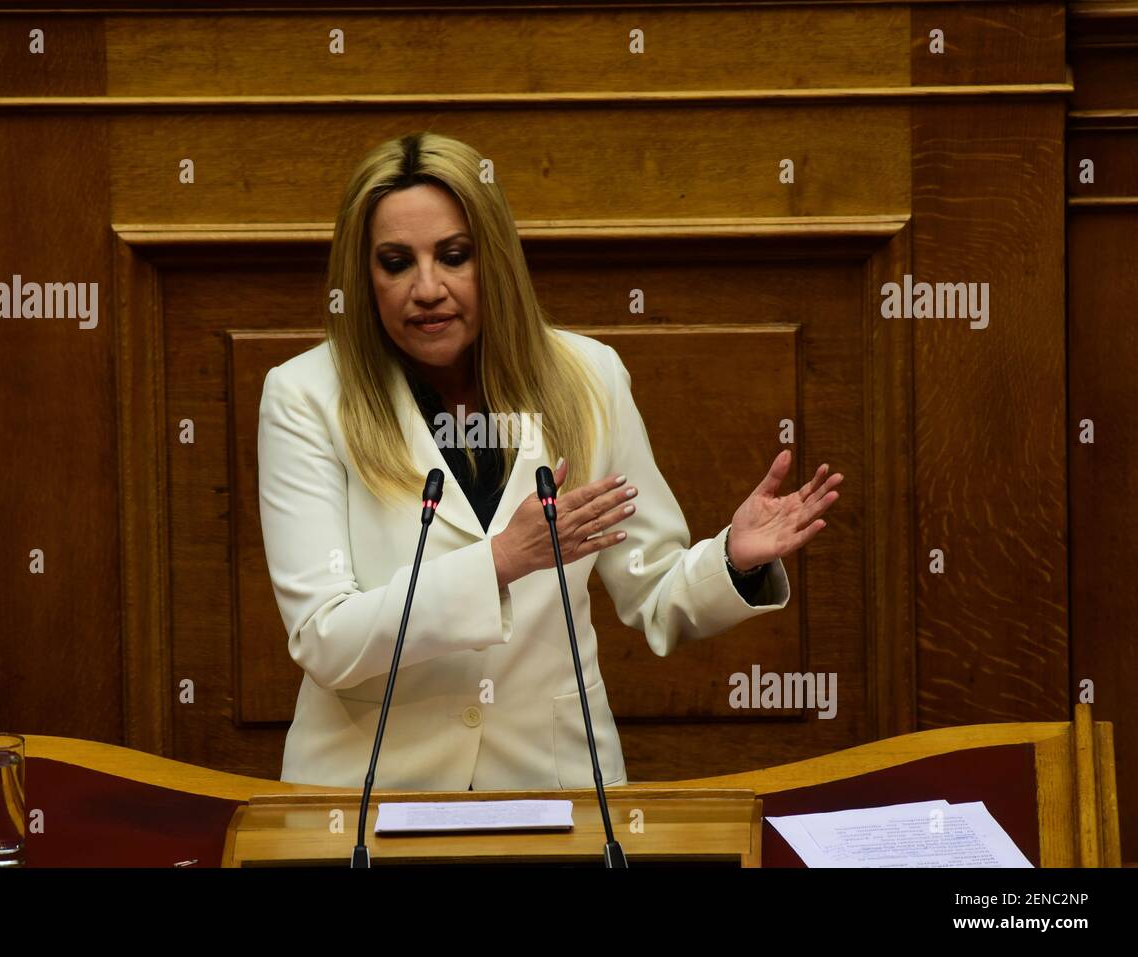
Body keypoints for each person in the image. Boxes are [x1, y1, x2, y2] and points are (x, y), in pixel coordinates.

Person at [258, 131, 842, 791]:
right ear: (364, 276)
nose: (426, 288)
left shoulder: (589, 377)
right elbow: (325, 635)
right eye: (396, 262)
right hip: (368, 797)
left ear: (496, 259)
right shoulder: (306, 396)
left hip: (550, 789)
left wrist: (733, 559)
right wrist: (501, 561)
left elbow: (653, 591)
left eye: (454, 256)